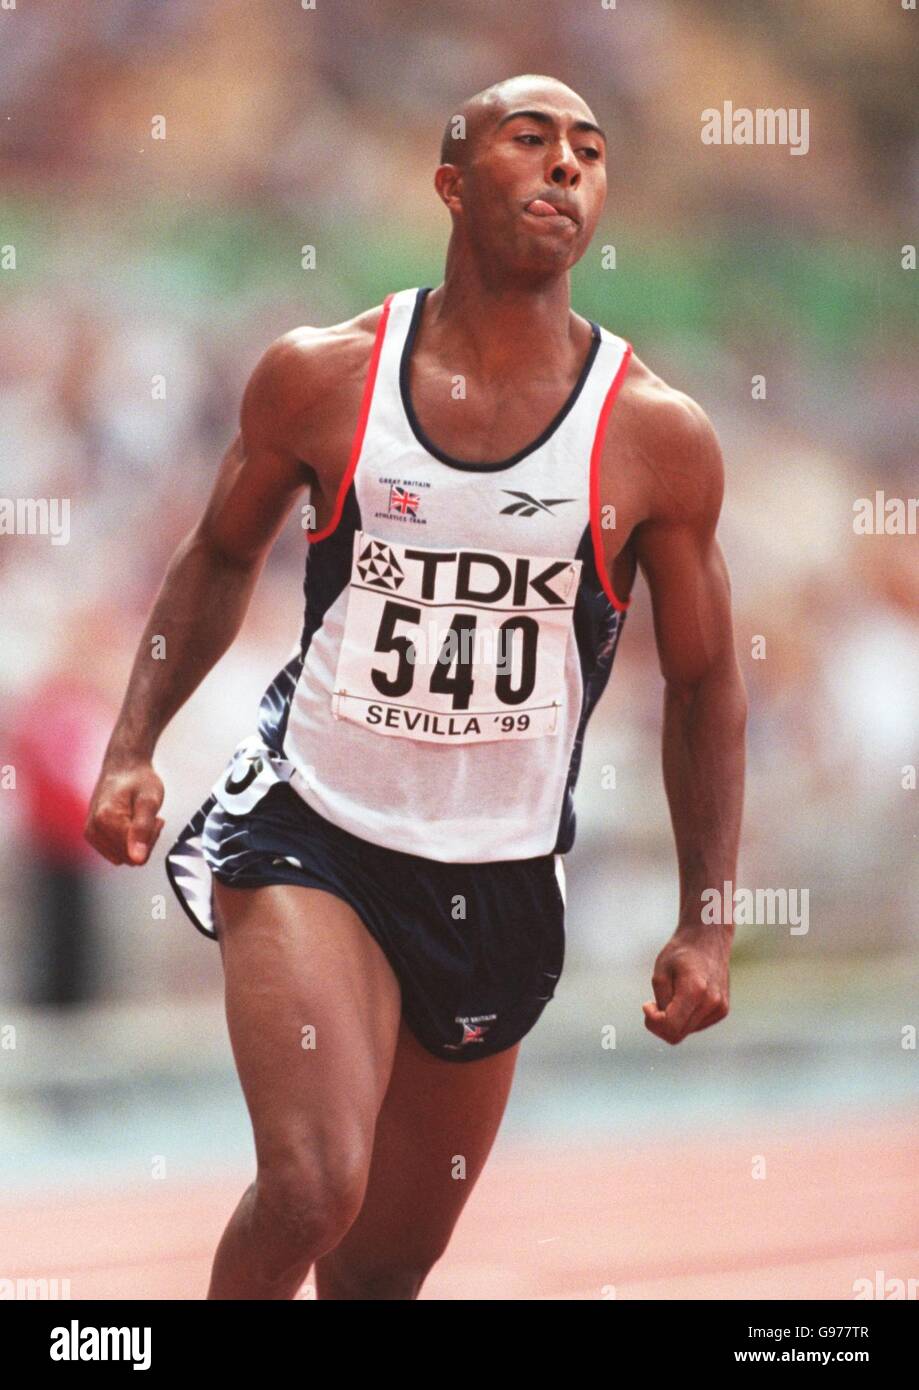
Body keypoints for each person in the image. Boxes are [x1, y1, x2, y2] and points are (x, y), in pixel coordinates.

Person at [85, 74, 747, 1301]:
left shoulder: (656, 435)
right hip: (312, 825)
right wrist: (134, 745)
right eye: (529, 140)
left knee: (386, 1267)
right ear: (451, 183)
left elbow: (707, 685)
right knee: (310, 1188)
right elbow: (219, 552)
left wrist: (708, 915)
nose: (564, 168)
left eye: (590, 153)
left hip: (496, 873)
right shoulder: (324, 378)